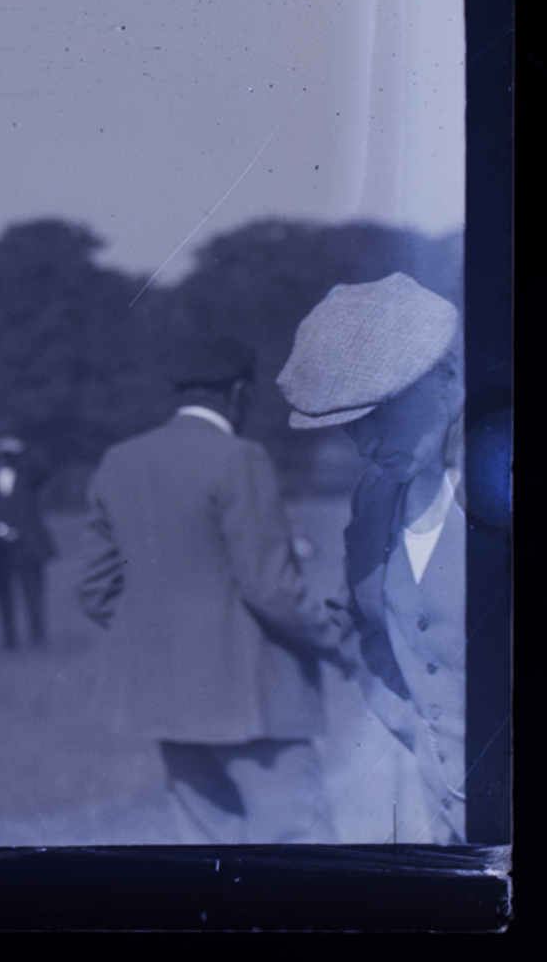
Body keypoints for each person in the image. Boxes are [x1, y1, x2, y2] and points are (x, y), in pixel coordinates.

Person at [79, 333, 350, 842]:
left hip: (166, 701)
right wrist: (343, 645)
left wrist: (163, 639)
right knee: (300, 848)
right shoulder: (239, 458)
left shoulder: (120, 460)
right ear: (241, 392)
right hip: (254, 701)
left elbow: (94, 588)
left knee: (208, 854)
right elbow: (270, 588)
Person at [277, 272, 467, 842]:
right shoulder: (376, 493)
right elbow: (355, 621)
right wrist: (414, 723)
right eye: (348, 426)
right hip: (448, 802)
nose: (364, 444)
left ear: (447, 375)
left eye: (378, 414)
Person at [0, 436, 54, 652]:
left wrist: (23, 449)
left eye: (8, 455)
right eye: (1, 454)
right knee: (2, 595)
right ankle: (9, 640)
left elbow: (44, 471)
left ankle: (38, 639)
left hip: (29, 542)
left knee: (33, 594)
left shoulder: (28, 474)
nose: (4, 459)